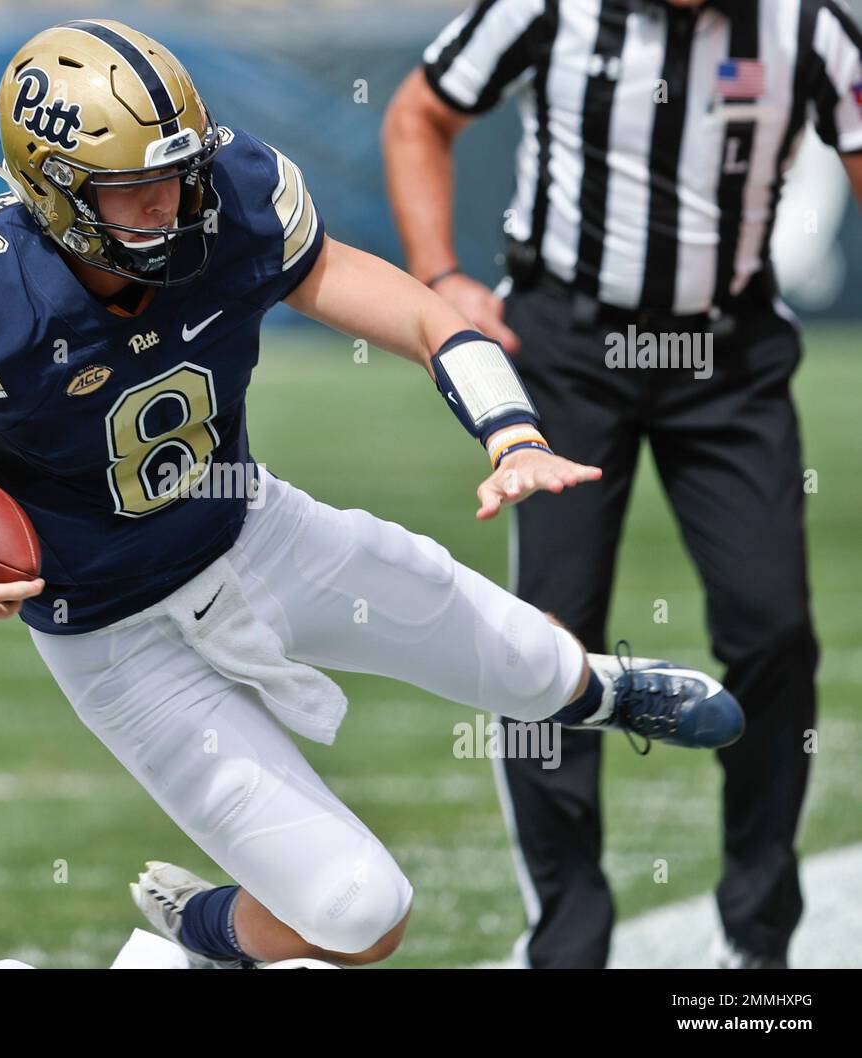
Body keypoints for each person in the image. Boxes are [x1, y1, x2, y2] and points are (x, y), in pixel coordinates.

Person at [0, 19, 743, 969]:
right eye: (134, 190)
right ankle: (206, 936)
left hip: (257, 535)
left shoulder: (232, 202)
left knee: (539, 667)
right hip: (117, 637)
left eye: (179, 172)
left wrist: (511, 428)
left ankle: (607, 691)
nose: (171, 204)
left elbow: (411, 311)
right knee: (363, 915)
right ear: (55, 193)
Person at [382, 0, 862, 967]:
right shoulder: (545, 8)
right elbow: (418, 115)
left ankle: (759, 940)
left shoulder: (803, 23)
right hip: (566, 348)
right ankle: (566, 940)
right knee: (547, 642)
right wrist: (442, 274)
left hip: (729, 356)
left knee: (773, 632)